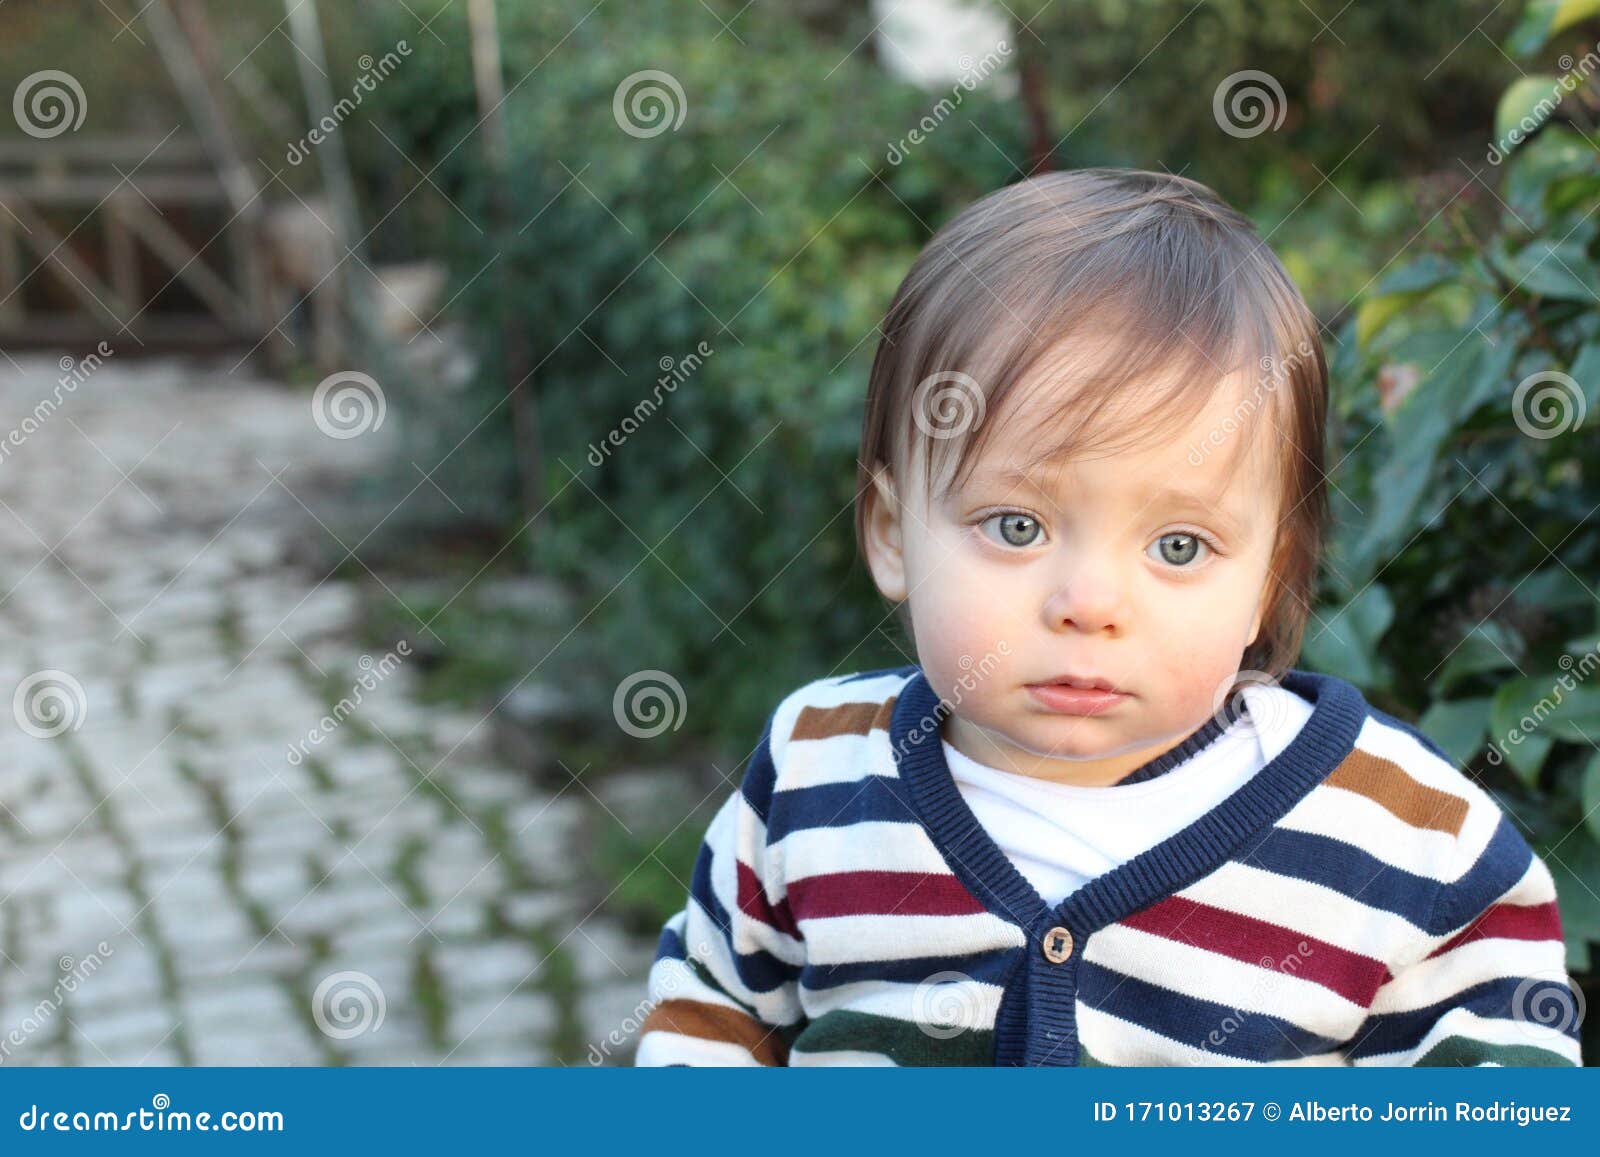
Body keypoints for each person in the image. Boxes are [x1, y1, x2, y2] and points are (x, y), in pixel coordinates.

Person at [632, 169, 1583, 1066]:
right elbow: (712, 1015)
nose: (1088, 604)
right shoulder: (817, 776)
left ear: (1269, 576)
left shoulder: (1404, 839)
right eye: (1016, 525)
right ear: (891, 534)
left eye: (1178, 546)